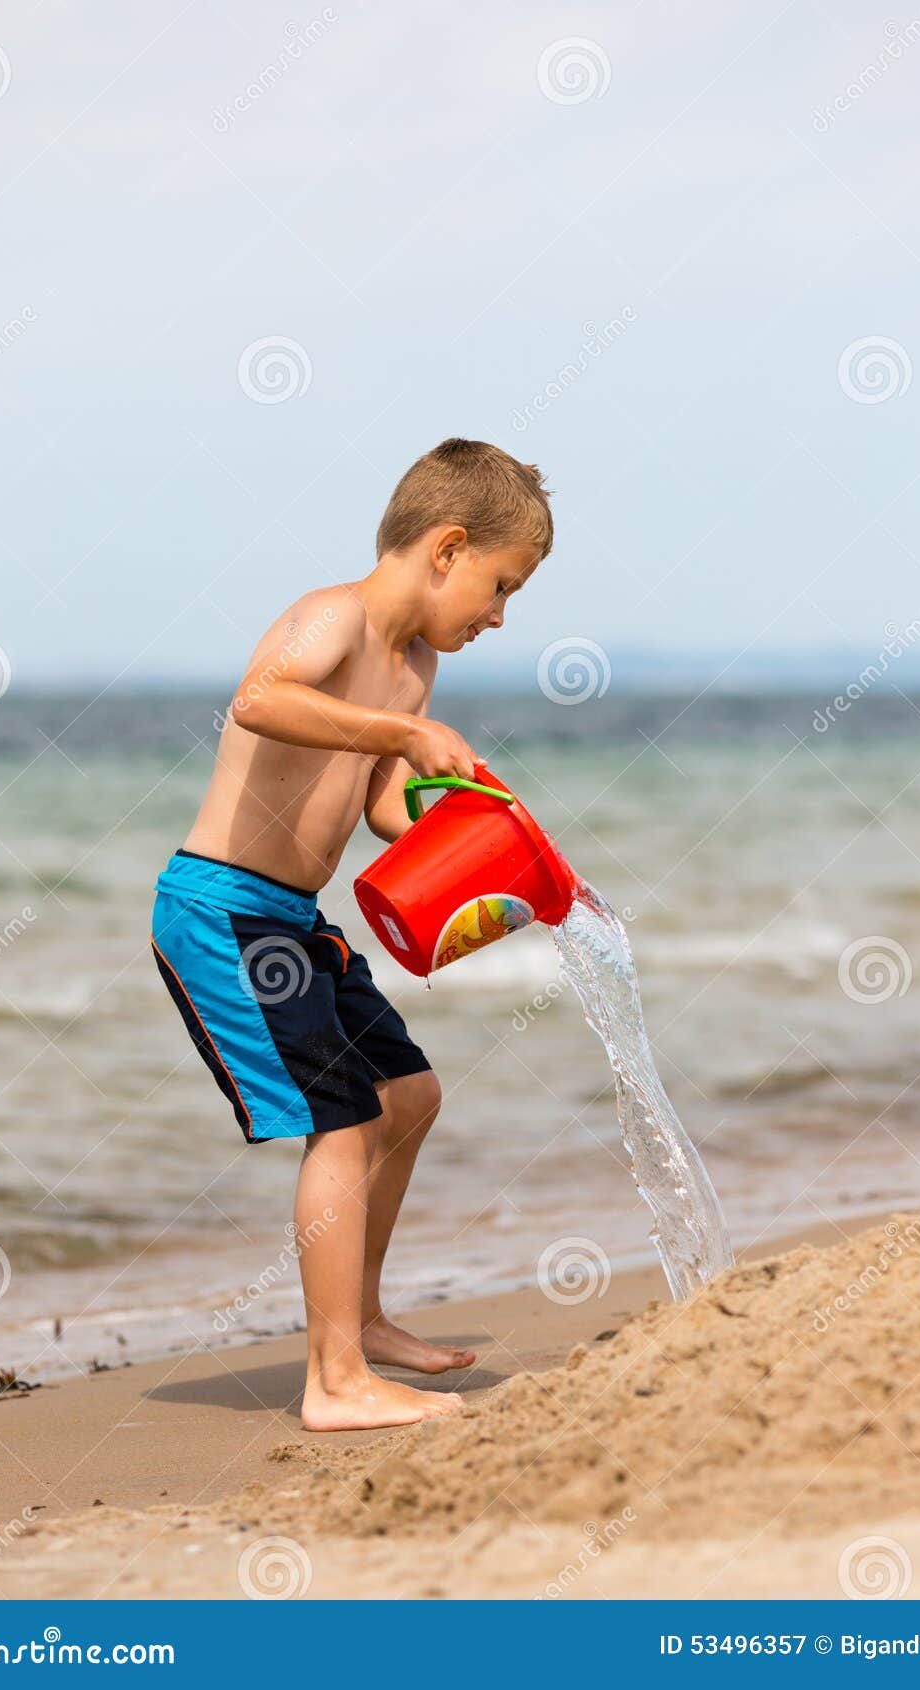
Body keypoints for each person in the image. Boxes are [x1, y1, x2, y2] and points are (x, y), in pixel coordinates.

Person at [151, 438, 552, 1430]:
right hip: (220, 910)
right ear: (446, 549)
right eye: (500, 587)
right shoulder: (331, 616)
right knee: (343, 1118)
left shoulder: (413, 666)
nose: (498, 616)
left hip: (292, 917)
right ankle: (332, 1381)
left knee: (407, 1094)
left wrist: (462, 838)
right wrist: (404, 734)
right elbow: (260, 699)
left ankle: (360, 1320)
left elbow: (374, 806)